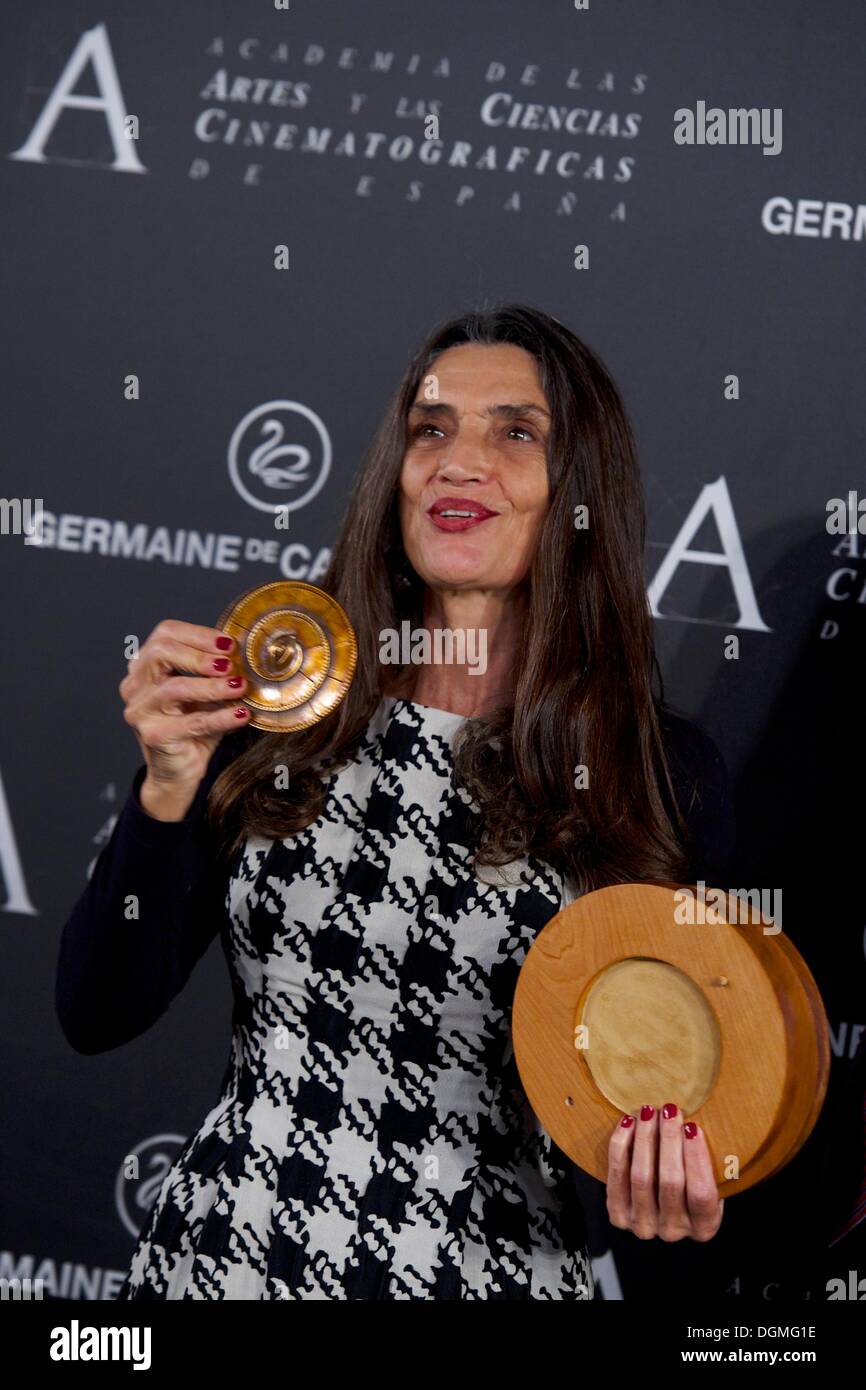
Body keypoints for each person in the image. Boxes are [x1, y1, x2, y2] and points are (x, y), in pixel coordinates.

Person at [56, 304, 735, 1300]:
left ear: (577, 488)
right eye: (429, 429)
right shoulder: (278, 706)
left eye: (514, 431)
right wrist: (165, 786)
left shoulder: (652, 772)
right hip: (226, 1263)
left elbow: (681, 1138)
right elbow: (95, 1008)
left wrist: (680, 1190)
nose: (457, 462)